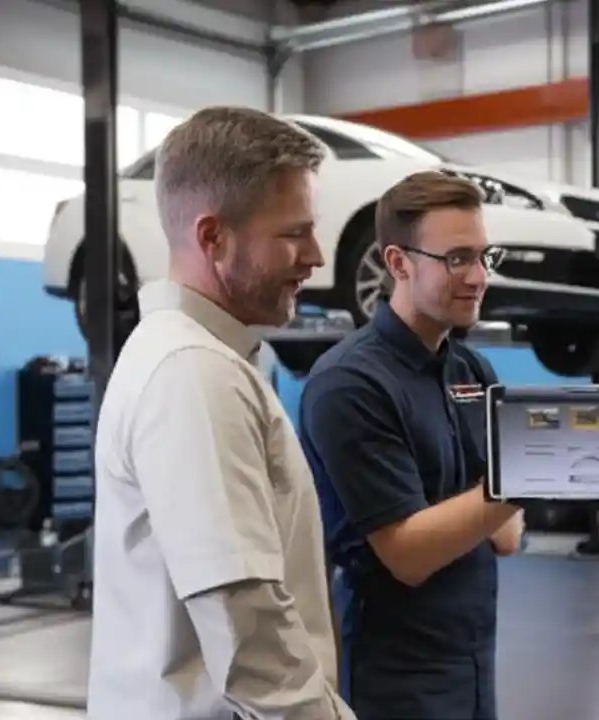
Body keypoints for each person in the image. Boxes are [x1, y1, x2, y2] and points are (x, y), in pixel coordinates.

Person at [87, 107, 354, 720]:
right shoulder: (193, 373)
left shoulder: (195, 358)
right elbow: (245, 622)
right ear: (214, 237)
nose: (315, 256)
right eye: (294, 233)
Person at [297, 170, 525, 720]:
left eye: (484, 257)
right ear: (398, 263)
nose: (477, 277)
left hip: (474, 660)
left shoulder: (473, 369)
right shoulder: (349, 385)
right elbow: (409, 555)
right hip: (393, 678)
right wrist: (527, 473)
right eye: (456, 259)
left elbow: (508, 536)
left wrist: (504, 486)